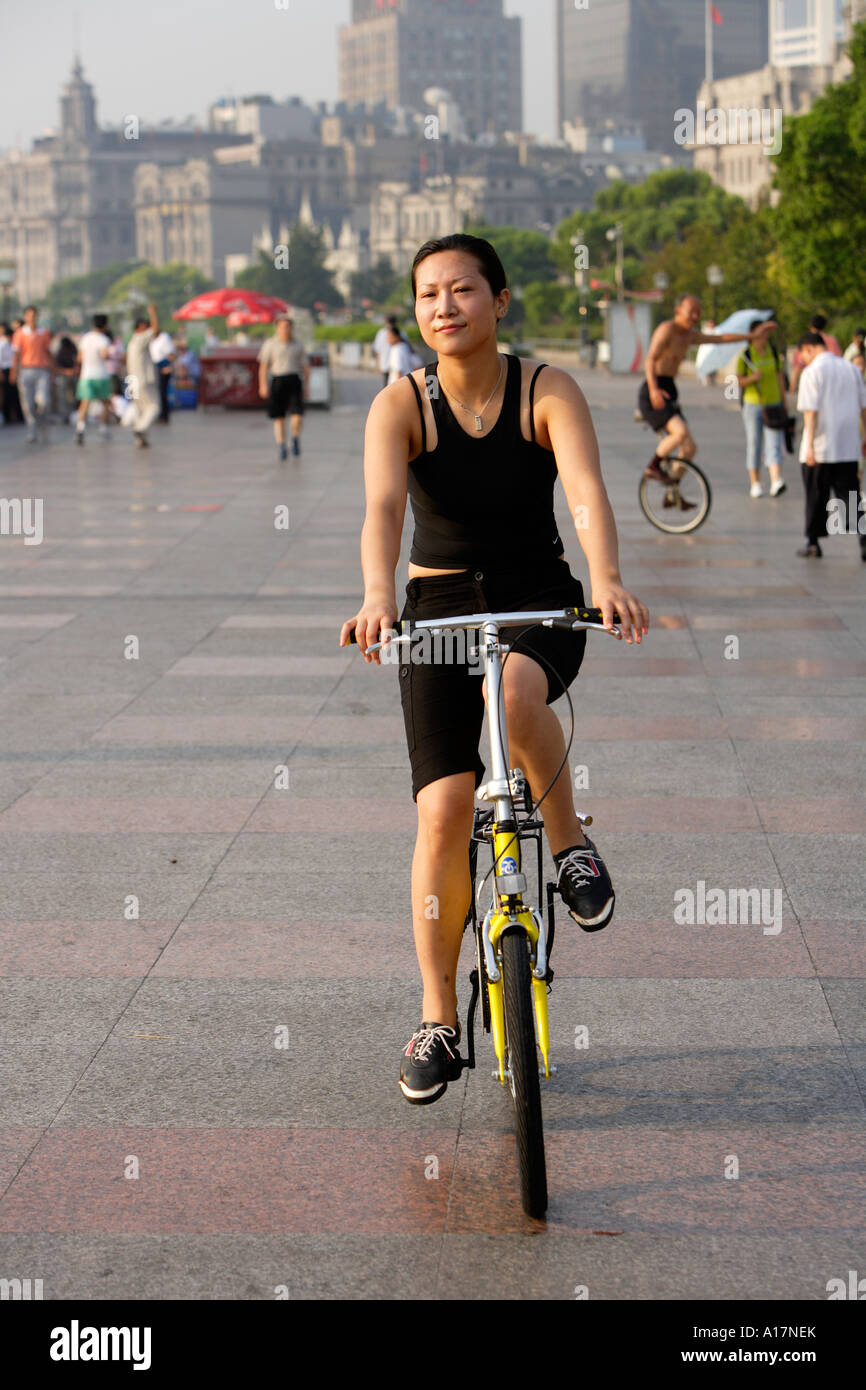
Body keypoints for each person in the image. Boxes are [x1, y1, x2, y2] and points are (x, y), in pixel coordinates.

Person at [339, 233, 649, 1106]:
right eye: (430, 295)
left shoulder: (546, 389)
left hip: (536, 598)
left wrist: (609, 579)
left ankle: (570, 846)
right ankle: (439, 1016)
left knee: (517, 692)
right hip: (437, 610)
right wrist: (375, 596)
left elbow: (584, 490)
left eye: (464, 290)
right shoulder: (401, 402)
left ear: (500, 300)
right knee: (441, 812)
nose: (445, 307)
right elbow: (383, 509)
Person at [639, 294, 771, 501]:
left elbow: (720, 339)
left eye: (698, 312)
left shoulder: (689, 336)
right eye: (691, 311)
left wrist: (752, 337)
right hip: (653, 388)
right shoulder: (666, 330)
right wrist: (654, 390)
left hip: (669, 388)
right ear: (678, 310)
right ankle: (653, 466)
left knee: (690, 449)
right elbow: (650, 360)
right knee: (679, 433)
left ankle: (672, 492)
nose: (695, 315)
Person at [795, 331, 866, 560]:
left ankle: (813, 543)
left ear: (808, 348)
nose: (804, 360)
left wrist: (809, 448)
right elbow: (864, 408)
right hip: (848, 447)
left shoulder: (812, 372)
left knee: (816, 496)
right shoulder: (852, 369)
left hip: (821, 447)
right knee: (851, 497)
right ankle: (864, 542)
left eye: (803, 355)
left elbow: (810, 412)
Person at [735, 318, 788, 498]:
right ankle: (755, 482)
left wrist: (784, 400)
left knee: (774, 442)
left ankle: (776, 480)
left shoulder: (772, 352)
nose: (765, 335)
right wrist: (752, 379)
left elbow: (780, 377)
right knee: (755, 443)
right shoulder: (746, 356)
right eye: (761, 331)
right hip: (753, 405)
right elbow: (736, 382)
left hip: (774, 403)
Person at [257, 316, 308, 459]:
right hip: (278, 380)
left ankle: (295, 438)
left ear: (292, 328)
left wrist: (307, 386)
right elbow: (263, 366)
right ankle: (281, 445)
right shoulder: (270, 344)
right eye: (282, 326)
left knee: (297, 415)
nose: (285, 329)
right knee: (279, 417)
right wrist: (263, 385)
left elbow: (306, 366)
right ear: (278, 328)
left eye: (288, 326)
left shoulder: (298, 344)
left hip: (294, 379)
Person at [10, 305, 55, 443]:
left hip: (42, 370)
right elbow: (17, 354)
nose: (32, 318)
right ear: (25, 317)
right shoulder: (20, 333)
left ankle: (42, 423)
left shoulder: (44, 333)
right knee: (28, 403)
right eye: (29, 315)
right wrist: (14, 371)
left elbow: (48, 352)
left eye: (34, 315)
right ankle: (32, 429)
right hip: (25, 370)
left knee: (44, 401)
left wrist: (53, 369)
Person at [125, 302, 162, 448]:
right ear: (140, 327)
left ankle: (141, 438)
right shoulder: (140, 339)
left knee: (140, 409)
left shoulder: (131, 343)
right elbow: (156, 330)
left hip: (132, 380)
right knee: (154, 407)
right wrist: (153, 312)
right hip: (144, 379)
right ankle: (141, 429)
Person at [74, 313, 113, 444]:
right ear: (105, 325)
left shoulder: (85, 338)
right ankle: (103, 428)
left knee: (84, 403)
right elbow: (104, 355)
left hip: (86, 375)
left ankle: (80, 429)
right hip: (101, 375)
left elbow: (79, 358)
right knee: (105, 403)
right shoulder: (103, 339)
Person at [790, 313, 842, 393]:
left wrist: (794, 382)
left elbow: (798, 365)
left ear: (810, 326)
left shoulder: (805, 342)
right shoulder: (832, 341)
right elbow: (839, 360)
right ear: (824, 326)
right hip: (833, 381)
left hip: (812, 381)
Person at [149, 323, 175, 423]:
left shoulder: (164, 337)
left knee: (162, 392)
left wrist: (168, 366)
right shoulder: (151, 339)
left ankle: (164, 415)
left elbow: (171, 355)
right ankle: (157, 414)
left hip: (163, 366)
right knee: (156, 392)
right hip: (154, 367)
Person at [0, 323, 24, 425]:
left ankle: (19, 416)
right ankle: (7, 416)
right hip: (5, 371)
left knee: (17, 394)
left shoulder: (14, 345)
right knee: (7, 395)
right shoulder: (2, 345)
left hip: (14, 370)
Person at [53, 334, 79, 422]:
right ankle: (65, 415)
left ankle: (76, 412)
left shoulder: (73, 349)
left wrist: (74, 370)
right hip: (63, 375)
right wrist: (67, 371)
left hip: (74, 374)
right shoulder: (60, 352)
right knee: (62, 396)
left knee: (78, 394)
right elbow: (57, 367)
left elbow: (77, 361)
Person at [374, 314, 399, 390]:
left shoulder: (381, 333)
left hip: (389, 364)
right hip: (393, 365)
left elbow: (377, 350)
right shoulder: (400, 333)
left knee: (388, 387)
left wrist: (378, 365)